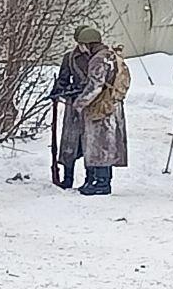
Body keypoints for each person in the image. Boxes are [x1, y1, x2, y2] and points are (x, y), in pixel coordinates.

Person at [70, 27, 129, 196]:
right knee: (108, 144)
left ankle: (101, 182)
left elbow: (95, 86)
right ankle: (102, 180)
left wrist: (79, 104)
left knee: (99, 144)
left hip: (100, 106)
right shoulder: (111, 56)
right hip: (113, 104)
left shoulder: (98, 60)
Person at [49, 27, 92, 189]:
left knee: (91, 144)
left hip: (92, 106)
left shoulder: (100, 58)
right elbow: (63, 79)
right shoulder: (70, 58)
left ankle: (90, 178)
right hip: (74, 106)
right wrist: (60, 91)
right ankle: (68, 178)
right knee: (70, 144)